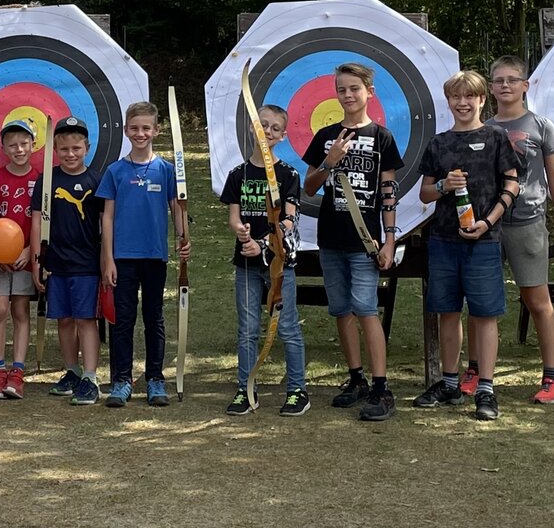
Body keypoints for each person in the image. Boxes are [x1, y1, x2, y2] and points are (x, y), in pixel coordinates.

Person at [462, 54, 554, 404]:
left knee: (537, 299)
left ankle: (553, 379)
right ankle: (474, 371)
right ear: (490, 87)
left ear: (525, 86)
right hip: (486, 225)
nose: (505, 85)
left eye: (512, 80)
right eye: (498, 80)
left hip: (528, 222)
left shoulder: (541, 126)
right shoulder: (480, 128)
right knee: (480, 300)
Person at [413, 70, 522, 421]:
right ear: (449, 102)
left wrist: (488, 222)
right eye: (456, 97)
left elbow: (512, 186)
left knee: (485, 314)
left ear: (481, 100)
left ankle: (486, 389)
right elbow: (425, 194)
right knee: (447, 312)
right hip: (443, 239)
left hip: (485, 240)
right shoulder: (439, 143)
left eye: (469, 97)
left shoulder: (496, 138)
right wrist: (444, 185)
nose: (462, 103)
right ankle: (448, 383)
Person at [302, 62, 403, 421]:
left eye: (354, 89)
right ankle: (356, 377)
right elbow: (309, 188)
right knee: (341, 309)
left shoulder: (382, 137)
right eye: (341, 89)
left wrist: (389, 240)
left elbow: (389, 192)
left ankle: (381, 387)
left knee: (366, 308)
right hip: (331, 237)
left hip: (366, 240)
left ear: (368, 92)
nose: (347, 95)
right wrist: (329, 162)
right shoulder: (326, 135)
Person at [220, 101, 309, 416]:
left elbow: (288, 221)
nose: (267, 132)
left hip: (278, 265)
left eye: (274, 128)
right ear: (252, 128)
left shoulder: (287, 175)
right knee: (247, 329)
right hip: (246, 264)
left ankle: (297, 390)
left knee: (286, 328)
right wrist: (241, 232)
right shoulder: (238, 174)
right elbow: (233, 217)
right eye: (263, 125)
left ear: (282, 135)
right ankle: (246, 389)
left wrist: (261, 243)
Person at [96, 100, 187, 409]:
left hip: (154, 256)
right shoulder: (115, 171)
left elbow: (178, 208)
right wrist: (107, 258)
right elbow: (107, 217)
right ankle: (121, 380)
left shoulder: (166, 170)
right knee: (122, 320)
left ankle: (154, 379)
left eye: (146, 128)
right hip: (122, 257)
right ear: (126, 130)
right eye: (134, 128)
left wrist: (183, 238)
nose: (140, 133)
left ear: (156, 131)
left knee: (154, 318)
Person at [37, 115, 106, 405]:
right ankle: (72, 371)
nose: (70, 154)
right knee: (64, 320)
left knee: (85, 319)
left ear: (87, 148)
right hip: (56, 264)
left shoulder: (97, 180)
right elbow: (38, 221)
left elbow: (106, 224)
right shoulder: (47, 179)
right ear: (55, 149)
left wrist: (105, 263)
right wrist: (38, 261)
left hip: (87, 264)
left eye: (76, 149)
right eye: (64, 149)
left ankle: (90, 376)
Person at [0, 120, 38, 399]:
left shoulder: (41, 179)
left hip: (26, 259)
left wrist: (31, 251)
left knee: (20, 311)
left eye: (23, 143)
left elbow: (44, 221)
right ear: (3, 148)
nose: (18, 149)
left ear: (33, 145)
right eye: (12, 144)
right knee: (0, 310)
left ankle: (17, 372)